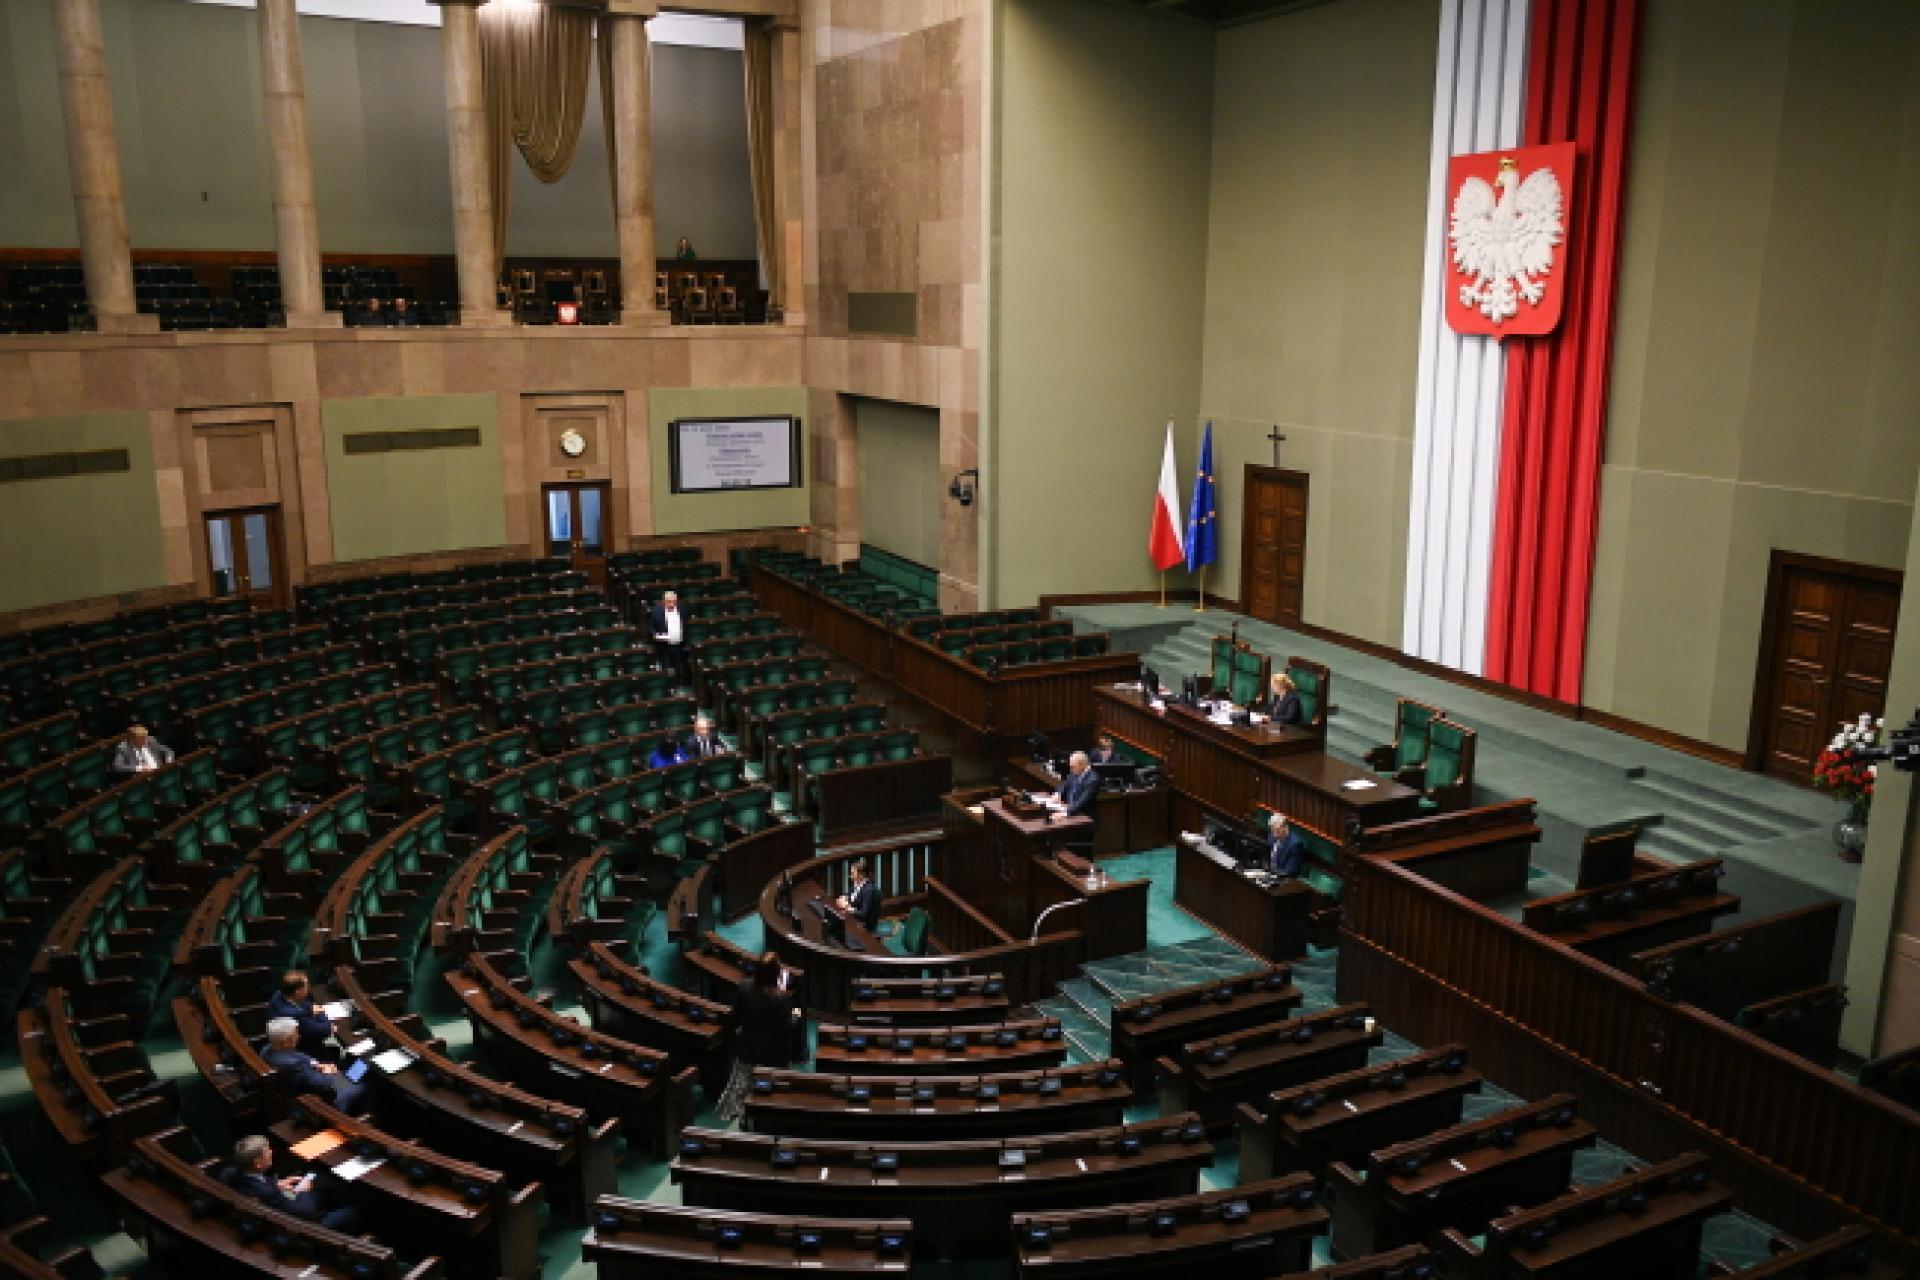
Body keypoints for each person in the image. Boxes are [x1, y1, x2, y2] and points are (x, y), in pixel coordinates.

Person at [714, 952, 797, 1122]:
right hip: (772, 1055)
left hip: (748, 1048)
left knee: (742, 1086)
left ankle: (739, 1113)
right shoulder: (780, 999)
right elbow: (787, 1025)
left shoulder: (744, 987)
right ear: (775, 975)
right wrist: (796, 1015)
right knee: (770, 1091)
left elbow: (735, 1016)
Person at [226, 1134, 362, 1233]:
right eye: (267, 1152)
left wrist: (277, 1184)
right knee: (355, 1211)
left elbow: (262, 1187)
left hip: (285, 1200)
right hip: (303, 1225)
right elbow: (307, 1212)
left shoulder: (234, 1174)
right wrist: (303, 1192)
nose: (271, 1152)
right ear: (258, 1163)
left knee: (328, 1194)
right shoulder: (268, 1193)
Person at [263, 1018, 368, 1115]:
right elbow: (322, 1085)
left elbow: (298, 1056)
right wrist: (334, 1073)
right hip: (323, 1095)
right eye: (296, 1034)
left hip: (312, 1079)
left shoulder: (268, 1049)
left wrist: (317, 1064)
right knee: (364, 1080)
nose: (299, 1036)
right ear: (285, 1042)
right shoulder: (292, 1064)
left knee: (351, 1067)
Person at [267, 971, 338, 1062]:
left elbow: (307, 1003)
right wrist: (320, 1013)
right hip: (303, 1050)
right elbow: (323, 1030)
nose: (308, 988)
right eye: (306, 986)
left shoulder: (278, 995)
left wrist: (310, 1008)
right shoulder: (294, 1014)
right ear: (297, 991)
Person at [649, 591, 690, 678]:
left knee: (679, 669)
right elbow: (651, 627)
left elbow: (686, 625)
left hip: (679, 646)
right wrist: (655, 635)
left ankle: (678, 683)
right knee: (666, 671)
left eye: (674, 602)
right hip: (664, 647)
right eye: (669, 602)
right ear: (664, 601)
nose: (672, 604)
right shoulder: (656, 612)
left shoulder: (683, 610)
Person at [835, 860, 879, 933]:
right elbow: (848, 894)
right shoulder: (857, 884)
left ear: (861, 875)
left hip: (863, 926)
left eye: (853, 873)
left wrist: (848, 908)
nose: (850, 876)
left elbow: (863, 914)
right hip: (853, 920)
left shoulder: (869, 890)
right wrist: (843, 898)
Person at [1054, 751, 1100, 821]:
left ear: (1082, 765)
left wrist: (1065, 813)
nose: (1071, 770)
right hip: (1071, 814)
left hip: (1084, 818)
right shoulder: (1074, 773)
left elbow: (1082, 802)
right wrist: (1058, 794)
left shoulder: (1093, 779)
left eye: (1073, 767)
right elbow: (1064, 785)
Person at [1266, 812, 1305, 878]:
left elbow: (1290, 871)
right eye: (1272, 829)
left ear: (1285, 827)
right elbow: (1267, 856)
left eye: (1277, 830)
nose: (1274, 834)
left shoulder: (1295, 845)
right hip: (1269, 873)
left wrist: (1272, 874)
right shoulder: (1272, 836)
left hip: (1284, 879)